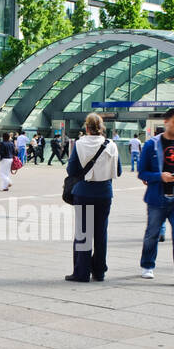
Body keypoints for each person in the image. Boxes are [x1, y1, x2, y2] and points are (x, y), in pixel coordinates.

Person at [137, 108, 174, 287]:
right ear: (166, 122)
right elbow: (142, 172)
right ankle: (147, 264)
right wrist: (159, 176)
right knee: (152, 234)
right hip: (157, 198)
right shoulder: (152, 145)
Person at [65, 113, 122, 282]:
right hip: (104, 193)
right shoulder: (111, 145)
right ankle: (99, 271)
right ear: (102, 127)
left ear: (86, 127)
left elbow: (71, 170)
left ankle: (81, 272)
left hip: (83, 193)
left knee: (83, 233)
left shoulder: (79, 144)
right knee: (101, 233)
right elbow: (118, 171)